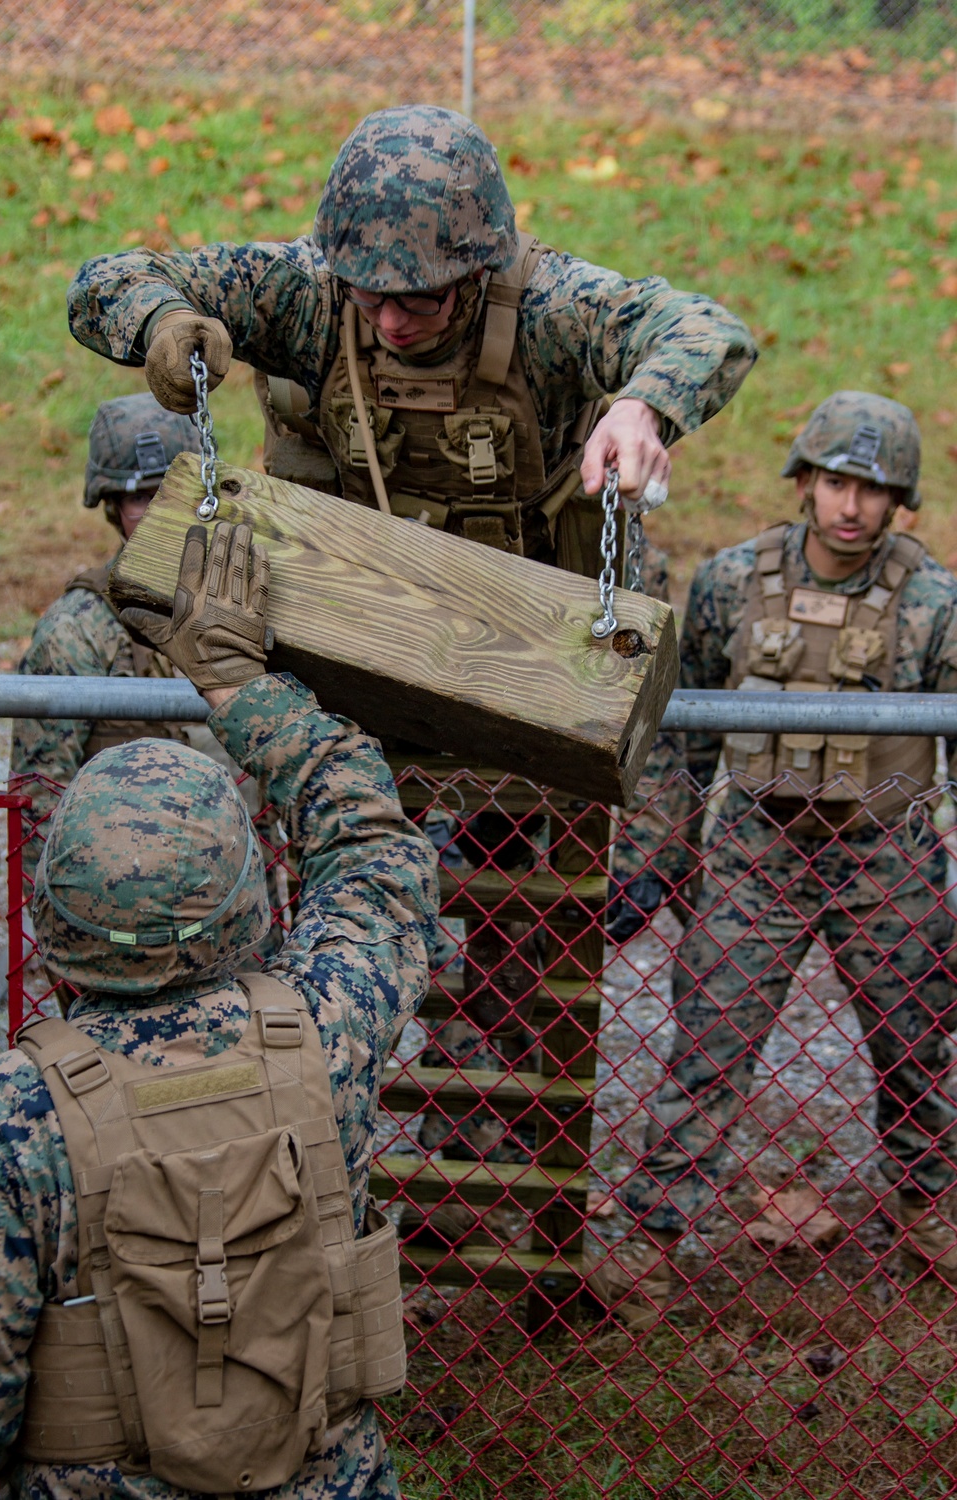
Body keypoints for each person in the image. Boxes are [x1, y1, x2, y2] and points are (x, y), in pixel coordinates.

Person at [66, 103, 753, 1290]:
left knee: (522, 946)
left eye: (421, 297)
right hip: (342, 650)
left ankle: (496, 1182)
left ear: (478, 266)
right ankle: (290, 1172)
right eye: (371, 293)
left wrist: (643, 403)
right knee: (317, 909)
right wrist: (166, 322)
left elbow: (704, 326)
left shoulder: (549, 310)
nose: (390, 317)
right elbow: (109, 276)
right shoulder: (301, 292)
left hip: (514, 673)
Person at [0, 520, 439, 1497]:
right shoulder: (327, 1028)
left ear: (54, 914)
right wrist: (241, 688)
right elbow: (374, 851)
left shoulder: (7, 1114)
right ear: (246, 900)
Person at [615, 390, 957, 1292]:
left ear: (899, 501)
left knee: (916, 1047)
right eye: (838, 482)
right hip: (757, 853)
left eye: (874, 491)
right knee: (708, 1047)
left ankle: (928, 1203)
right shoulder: (733, 579)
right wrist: (656, 857)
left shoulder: (931, 600)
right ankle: (652, 1240)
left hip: (885, 855)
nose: (852, 507)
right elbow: (676, 737)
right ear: (805, 478)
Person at [12, 394, 285, 943]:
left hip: (241, 901)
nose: (152, 510)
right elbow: (39, 800)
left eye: (167, 491)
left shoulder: (249, 604)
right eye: (136, 497)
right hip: (127, 920)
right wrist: (60, 934)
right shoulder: (78, 628)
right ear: (111, 505)